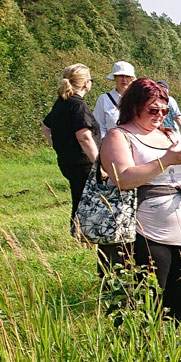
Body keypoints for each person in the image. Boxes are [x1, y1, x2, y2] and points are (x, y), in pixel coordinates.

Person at [101, 78, 181, 322]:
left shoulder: (171, 135)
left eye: (164, 110)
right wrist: (165, 161)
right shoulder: (118, 136)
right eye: (153, 110)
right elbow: (123, 178)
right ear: (134, 107)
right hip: (144, 229)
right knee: (148, 297)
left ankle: (166, 343)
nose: (160, 115)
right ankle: (144, 349)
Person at [43, 63, 127, 272]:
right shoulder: (77, 105)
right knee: (93, 200)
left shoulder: (61, 103)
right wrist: (99, 163)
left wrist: (59, 147)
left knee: (79, 195)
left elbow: (46, 126)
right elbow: (84, 136)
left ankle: (81, 235)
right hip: (83, 162)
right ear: (86, 84)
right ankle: (89, 237)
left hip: (68, 161)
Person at [93, 60, 135, 139]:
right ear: (115, 77)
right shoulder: (104, 99)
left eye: (127, 76)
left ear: (131, 79)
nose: (124, 80)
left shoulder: (137, 100)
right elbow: (98, 126)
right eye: (121, 76)